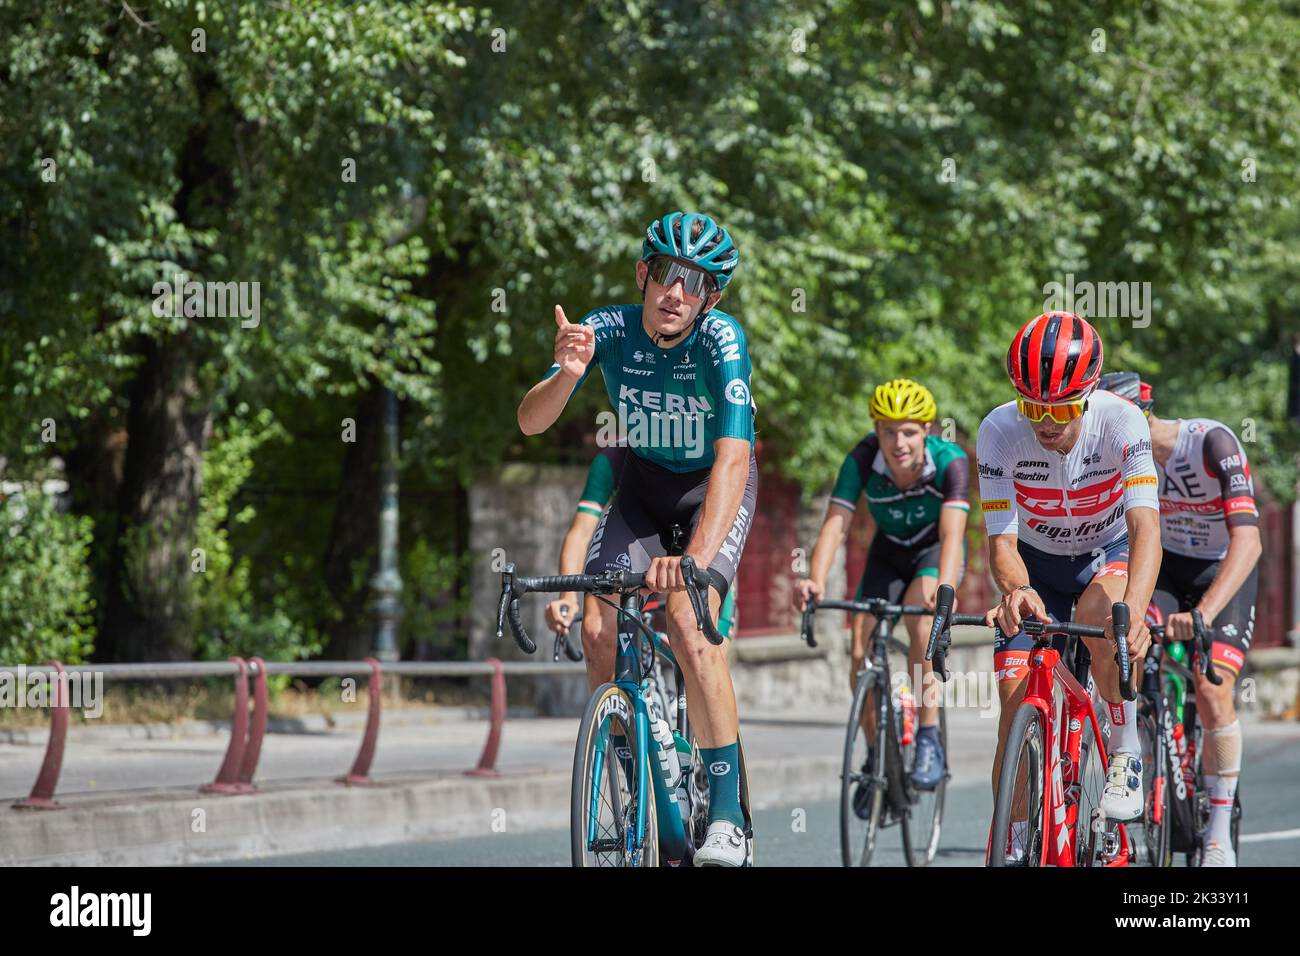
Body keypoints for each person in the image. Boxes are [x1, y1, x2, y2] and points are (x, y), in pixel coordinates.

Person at [517, 211, 756, 866]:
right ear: (642, 274)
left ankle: (729, 816)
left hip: (714, 487)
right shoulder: (606, 329)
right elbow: (532, 422)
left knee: (689, 622)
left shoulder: (722, 341)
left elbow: (735, 460)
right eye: (666, 275)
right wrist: (567, 373)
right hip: (645, 490)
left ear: (710, 296)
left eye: (695, 282)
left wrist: (696, 563)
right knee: (598, 628)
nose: (676, 292)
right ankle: (622, 775)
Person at [976, 312, 1159, 858]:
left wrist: (1137, 612)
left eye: (1058, 407)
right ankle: (1014, 837)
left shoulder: (1124, 422)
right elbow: (1002, 543)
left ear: (1088, 393)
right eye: (1032, 406)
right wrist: (1014, 590)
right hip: (1035, 563)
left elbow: (1145, 527)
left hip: (1107, 553)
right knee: (1014, 706)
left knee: (1109, 623)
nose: (1044, 421)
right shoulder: (997, 431)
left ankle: (1124, 752)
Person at [1098, 372, 1261, 866]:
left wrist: (1204, 614)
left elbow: (1249, 541)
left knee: (1211, 689)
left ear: (1140, 414)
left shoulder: (1212, 442)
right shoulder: (1120, 461)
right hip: (1166, 570)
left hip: (1222, 570)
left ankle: (1217, 832)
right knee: (1130, 649)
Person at [793, 378, 969, 793]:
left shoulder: (951, 462)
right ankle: (876, 757)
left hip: (931, 553)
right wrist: (815, 580)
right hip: (887, 553)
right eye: (888, 430)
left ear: (926, 430)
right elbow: (836, 526)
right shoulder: (861, 459)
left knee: (921, 619)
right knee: (860, 650)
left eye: (908, 430)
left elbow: (953, 538)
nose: (898, 441)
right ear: (876, 431)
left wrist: (944, 592)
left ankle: (928, 738)